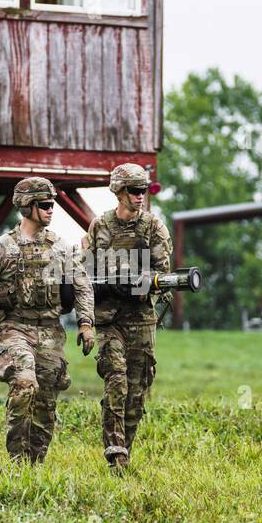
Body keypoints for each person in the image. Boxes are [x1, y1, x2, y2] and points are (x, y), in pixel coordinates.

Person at [0, 178, 95, 464]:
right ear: (27, 206)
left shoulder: (61, 247)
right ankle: (17, 460)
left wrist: (86, 323)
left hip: (50, 331)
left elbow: (82, 285)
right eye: (44, 205)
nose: (50, 210)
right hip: (14, 328)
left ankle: (34, 465)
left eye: (52, 204)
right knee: (25, 384)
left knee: (46, 400)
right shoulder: (2, 248)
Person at [85, 164, 173, 469]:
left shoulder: (153, 227)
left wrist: (141, 283)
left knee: (137, 391)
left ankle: (125, 448)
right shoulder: (100, 226)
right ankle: (115, 450)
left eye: (144, 190)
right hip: (109, 319)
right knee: (116, 380)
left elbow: (163, 273)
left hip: (141, 319)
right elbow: (87, 270)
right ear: (119, 192)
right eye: (134, 191)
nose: (140, 196)